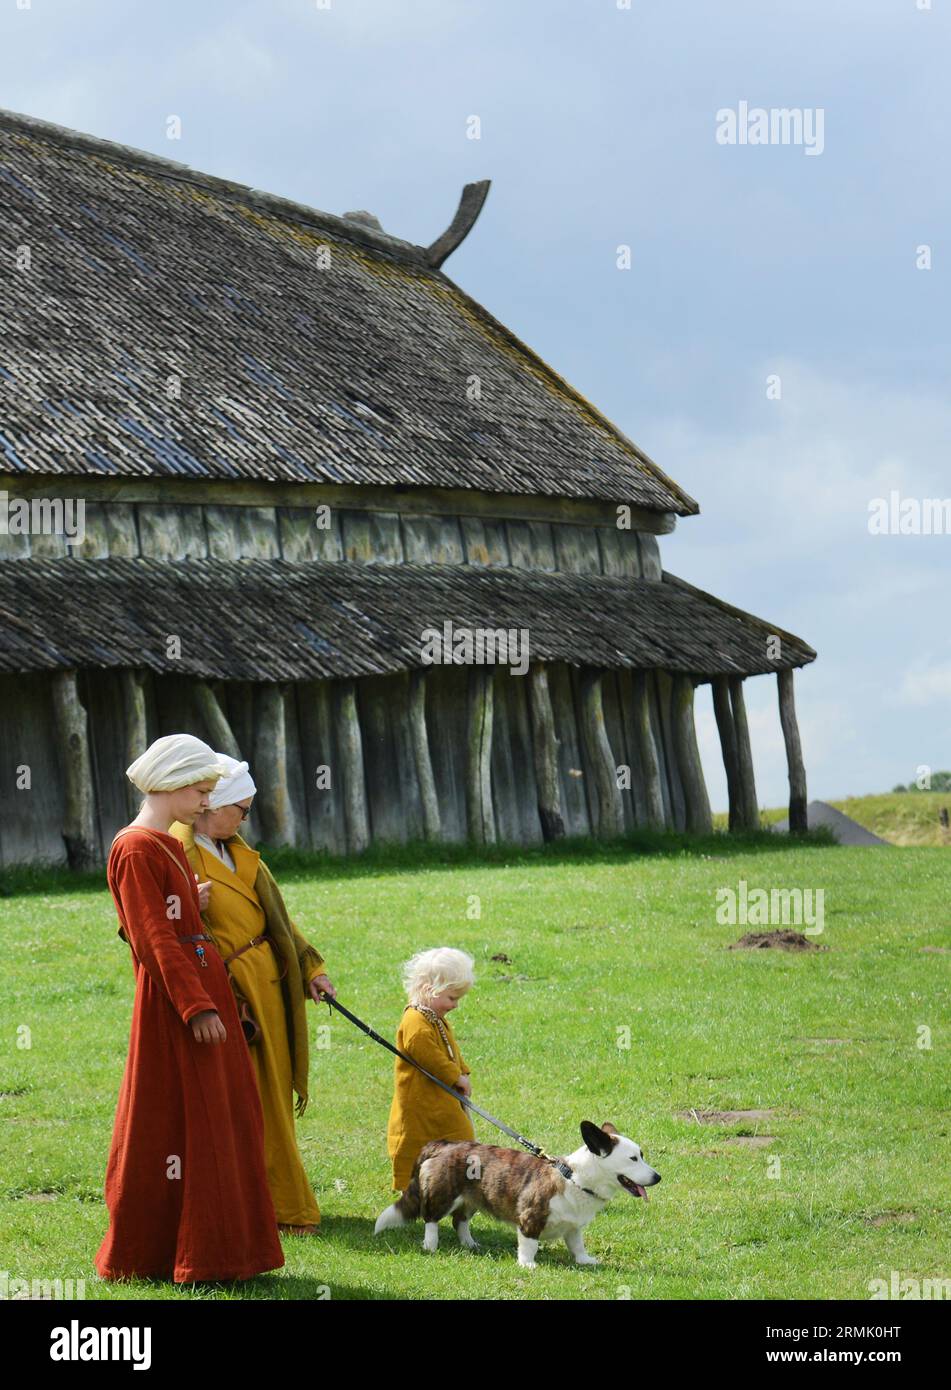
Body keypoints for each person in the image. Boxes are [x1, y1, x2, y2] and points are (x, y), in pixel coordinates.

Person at [95, 734, 284, 1285]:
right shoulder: (133, 847)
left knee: (221, 1117)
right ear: (172, 784)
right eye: (201, 791)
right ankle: (167, 1252)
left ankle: (222, 1249)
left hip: (203, 992)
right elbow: (152, 938)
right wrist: (195, 1006)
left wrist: (189, 907)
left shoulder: (168, 847)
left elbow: (168, 922)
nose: (206, 803)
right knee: (176, 1124)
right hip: (178, 1007)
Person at [170, 754, 334, 1235]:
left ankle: (277, 1196)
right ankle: (279, 1205)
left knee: (273, 1093)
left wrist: (310, 968)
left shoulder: (239, 851)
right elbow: (146, 927)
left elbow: (278, 919)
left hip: (270, 988)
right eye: (240, 808)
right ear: (211, 805)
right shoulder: (177, 853)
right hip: (230, 995)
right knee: (245, 1097)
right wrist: (181, 905)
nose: (246, 817)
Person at [386, 947, 476, 1194]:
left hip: (442, 1099)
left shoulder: (434, 1016)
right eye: (451, 998)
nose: (455, 1005)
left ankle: (455, 1185)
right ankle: (413, 1190)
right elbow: (429, 1056)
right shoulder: (415, 1020)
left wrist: (463, 1070)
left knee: (461, 1135)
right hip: (421, 1102)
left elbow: (451, 1049)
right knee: (417, 1143)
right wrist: (454, 1076)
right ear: (429, 989)